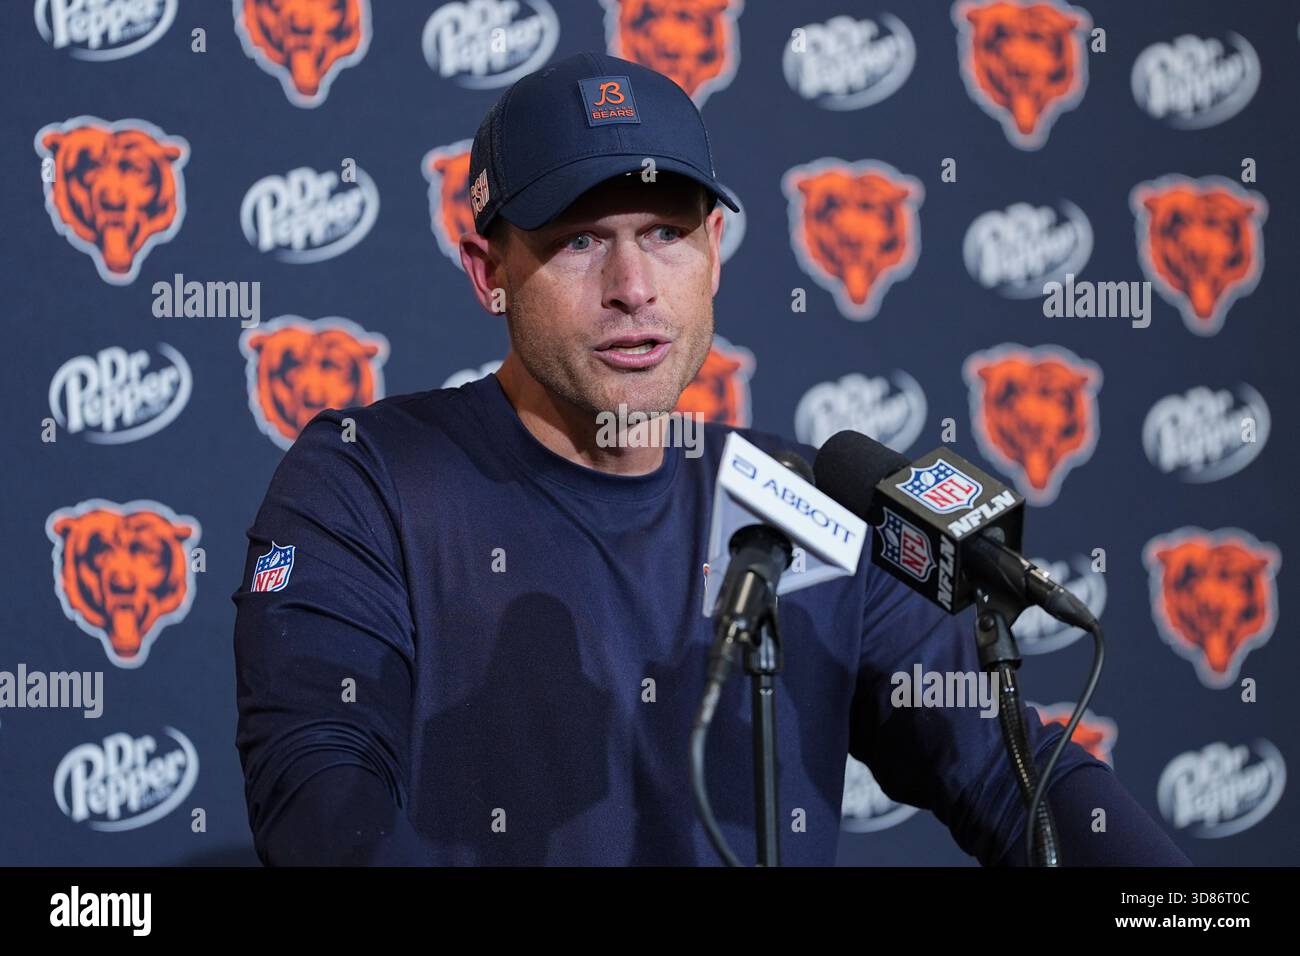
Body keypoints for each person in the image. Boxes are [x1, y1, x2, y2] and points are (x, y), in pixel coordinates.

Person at [232, 51, 1189, 866]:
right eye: (578, 243)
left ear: (716, 250)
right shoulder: (368, 481)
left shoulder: (802, 503)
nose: (634, 287)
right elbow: (321, 794)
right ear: (490, 272)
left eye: (666, 233)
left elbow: (1010, 772)